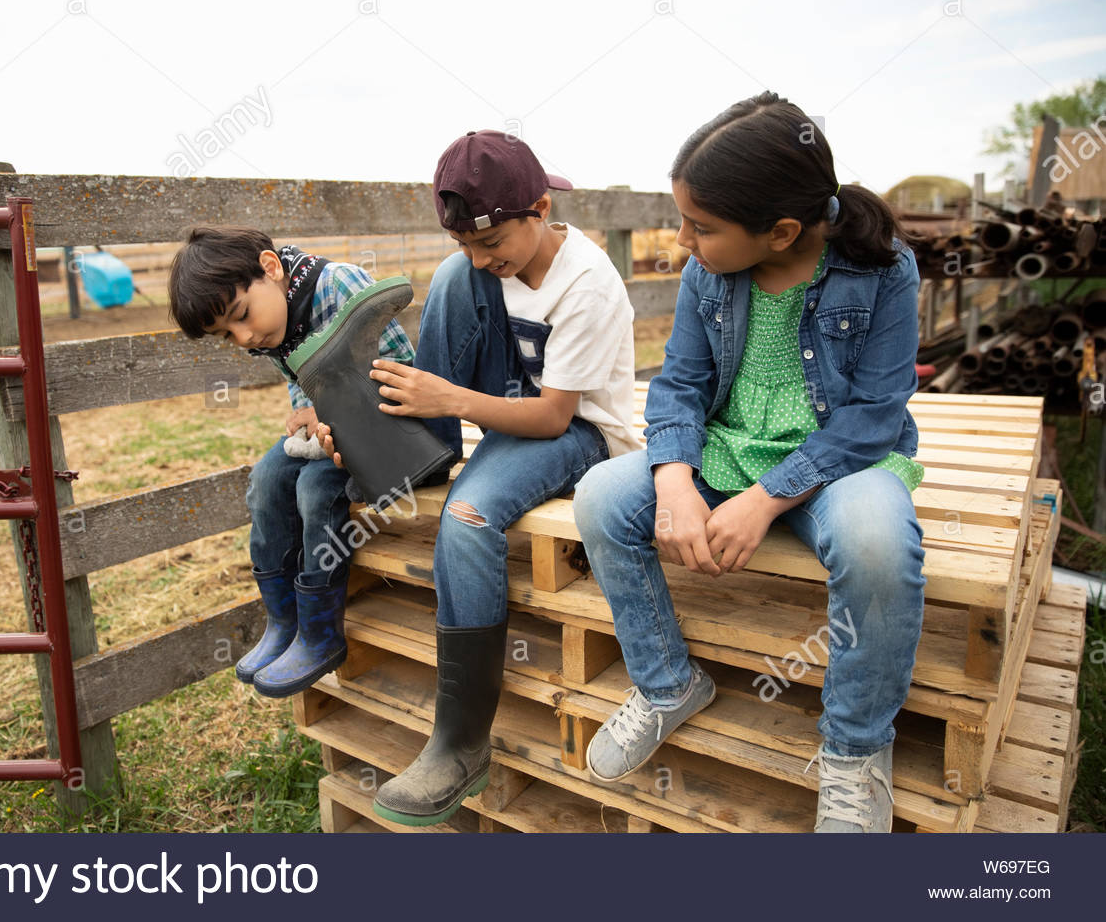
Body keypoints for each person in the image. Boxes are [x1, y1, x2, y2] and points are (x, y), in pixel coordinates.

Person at [572, 92, 927, 833]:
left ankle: (855, 750)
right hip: (729, 444)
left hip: (842, 460)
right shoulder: (709, 271)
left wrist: (766, 497)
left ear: (782, 231)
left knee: (876, 545)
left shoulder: (884, 271)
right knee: (605, 496)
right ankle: (669, 684)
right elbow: (680, 382)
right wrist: (672, 476)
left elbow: (875, 415)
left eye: (700, 227)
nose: (681, 241)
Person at [318, 130, 642, 826]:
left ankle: (460, 743)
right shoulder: (482, 269)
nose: (480, 256)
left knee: (467, 519)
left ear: (541, 207)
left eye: (492, 243)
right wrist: (438, 406)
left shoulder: (588, 285)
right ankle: (411, 448)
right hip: (505, 411)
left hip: (579, 432)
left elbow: (556, 418)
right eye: (466, 241)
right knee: (457, 283)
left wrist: (453, 400)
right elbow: (477, 277)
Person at [168, 226, 414, 698]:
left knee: (314, 490)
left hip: (388, 427)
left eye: (241, 316)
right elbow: (301, 379)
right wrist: (308, 414)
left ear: (270, 268)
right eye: (226, 335)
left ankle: (320, 632)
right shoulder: (270, 320)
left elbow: (401, 368)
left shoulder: (340, 286)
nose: (244, 337)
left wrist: (327, 410)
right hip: (331, 429)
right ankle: (283, 620)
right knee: (264, 480)